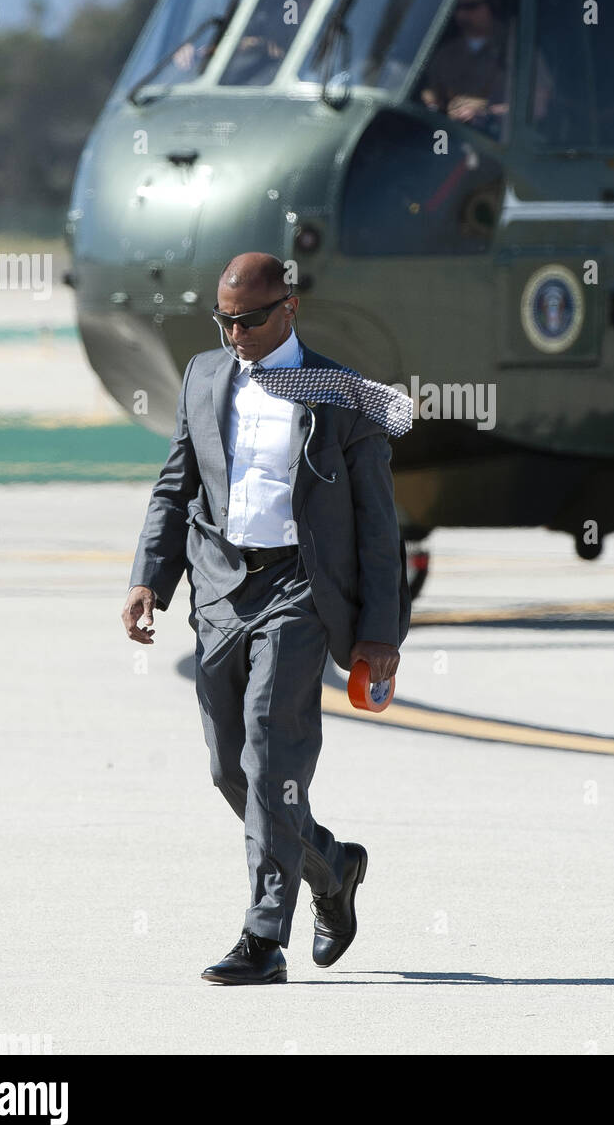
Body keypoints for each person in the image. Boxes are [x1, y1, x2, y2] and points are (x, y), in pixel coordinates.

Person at [121, 253, 411, 984]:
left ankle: (263, 936)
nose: (235, 334)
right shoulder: (203, 377)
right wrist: (149, 578)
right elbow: (174, 487)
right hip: (219, 587)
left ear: (290, 309)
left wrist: (381, 634)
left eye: (249, 320)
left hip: (299, 588)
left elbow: (379, 527)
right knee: (230, 771)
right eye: (224, 321)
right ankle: (333, 869)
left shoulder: (341, 394)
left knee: (271, 751)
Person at [420, 0, 512, 135]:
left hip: (500, 144)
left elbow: (537, 107)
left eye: (471, 6)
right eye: (458, 7)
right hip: (454, 142)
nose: (463, 14)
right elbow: (432, 97)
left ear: (492, 7)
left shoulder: (515, 47)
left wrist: (486, 112)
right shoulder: (445, 54)